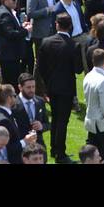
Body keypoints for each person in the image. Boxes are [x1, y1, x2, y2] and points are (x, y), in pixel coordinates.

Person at [38, 13, 81, 163]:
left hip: (51, 87)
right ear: (70, 26)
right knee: (62, 121)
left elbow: (40, 67)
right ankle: (60, 153)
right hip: (66, 89)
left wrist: (47, 83)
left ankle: (54, 148)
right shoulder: (74, 45)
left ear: (57, 24)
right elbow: (78, 69)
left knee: (55, 118)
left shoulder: (46, 42)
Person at [82, 46, 104, 162]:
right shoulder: (103, 81)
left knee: (93, 158)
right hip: (103, 124)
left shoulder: (88, 76)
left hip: (91, 123)